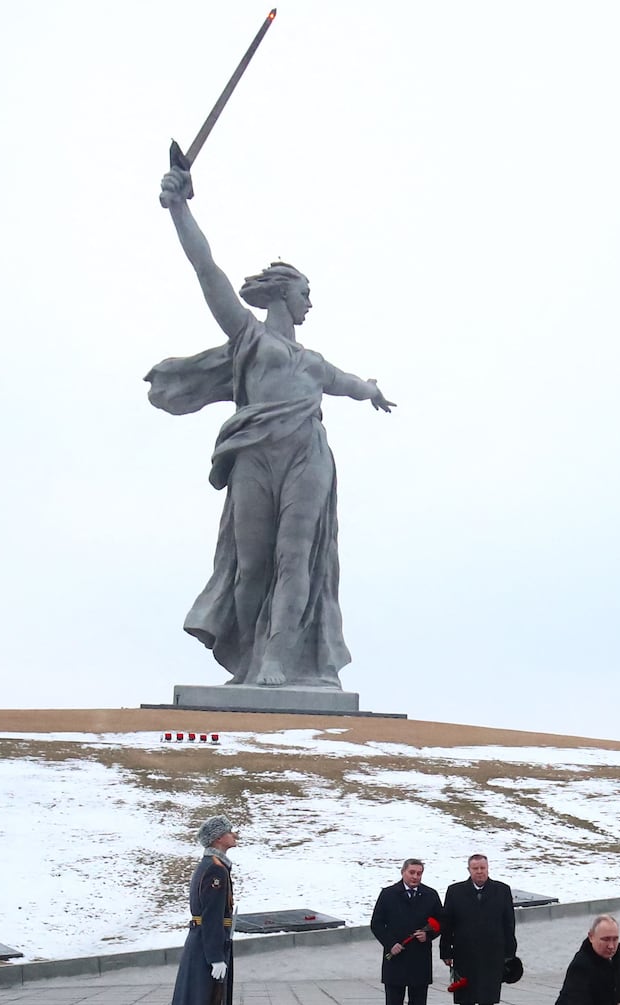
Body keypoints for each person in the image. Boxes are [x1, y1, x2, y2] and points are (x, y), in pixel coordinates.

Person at [148, 162, 395, 689]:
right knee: (252, 564)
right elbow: (206, 270)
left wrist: (372, 390)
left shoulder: (314, 363)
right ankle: (248, 661)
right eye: (306, 292)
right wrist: (180, 208)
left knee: (296, 558)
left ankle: (278, 660)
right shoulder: (249, 337)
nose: (311, 302)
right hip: (255, 458)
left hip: (307, 456)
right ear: (284, 295)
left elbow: (349, 382)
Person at [168, 817, 238, 1005]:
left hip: (202, 943)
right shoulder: (215, 870)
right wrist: (216, 957)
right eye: (229, 832)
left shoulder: (214, 866)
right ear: (217, 838)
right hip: (204, 946)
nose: (234, 835)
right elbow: (210, 916)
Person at [369, 858, 442, 1005]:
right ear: (403, 872)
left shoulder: (430, 895)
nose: (415, 877)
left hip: (420, 959)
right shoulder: (388, 894)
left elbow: (440, 922)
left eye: (419, 873)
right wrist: (390, 943)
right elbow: (376, 923)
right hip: (396, 958)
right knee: (394, 1004)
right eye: (412, 872)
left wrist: (429, 935)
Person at [440, 853, 516, 1005]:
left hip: (493, 955)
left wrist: (510, 953)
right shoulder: (455, 891)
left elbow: (509, 923)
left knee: (487, 999)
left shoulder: (502, 890)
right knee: (466, 999)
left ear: (488, 868)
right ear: (469, 870)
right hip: (464, 953)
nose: (480, 872)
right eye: (476, 868)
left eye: (483, 868)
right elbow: (447, 923)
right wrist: (445, 951)